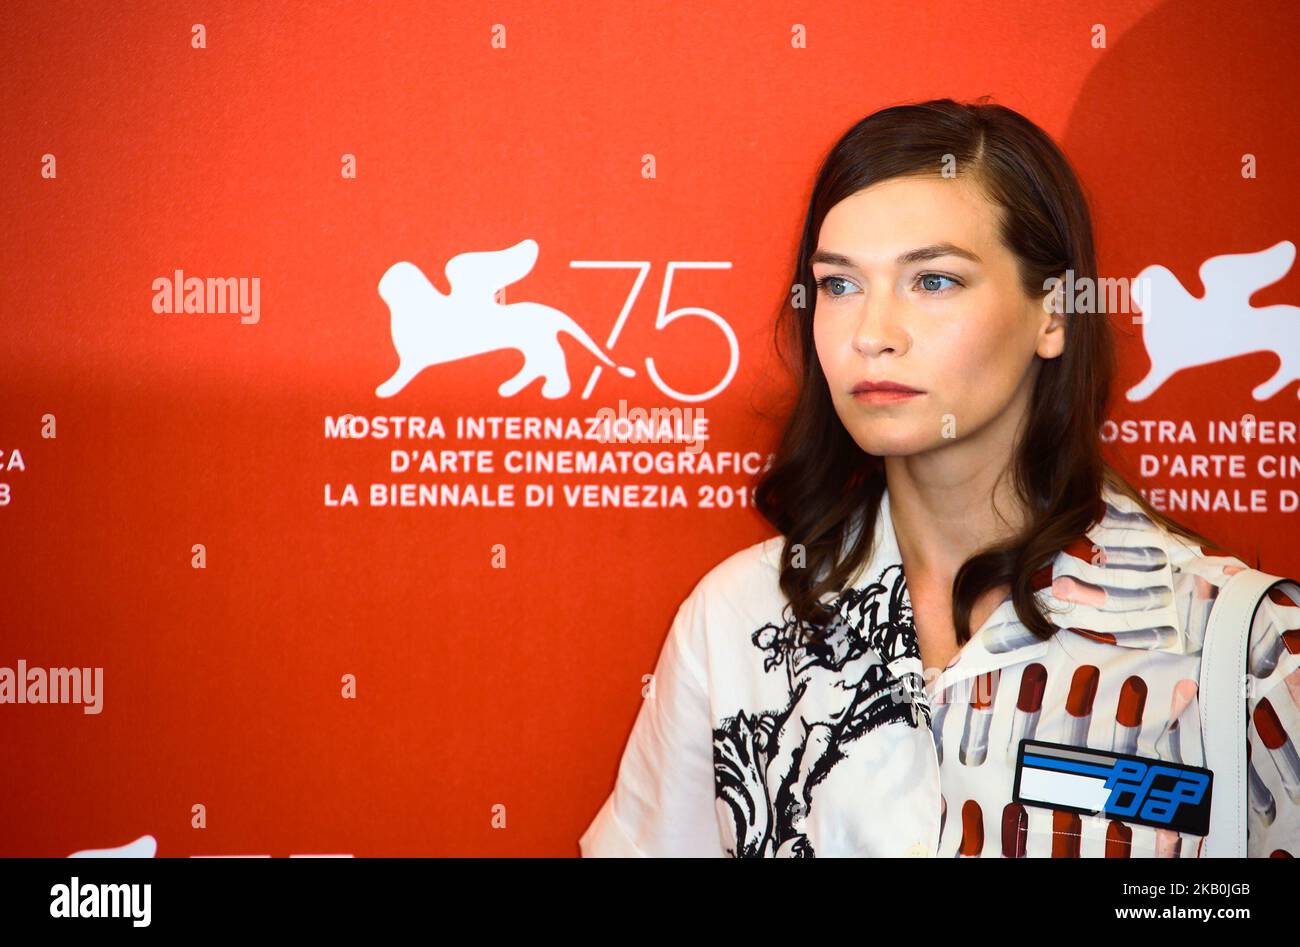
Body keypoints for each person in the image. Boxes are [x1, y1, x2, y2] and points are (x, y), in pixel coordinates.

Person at [578, 97, 1300, 858]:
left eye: (934, 281)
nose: (873, 335)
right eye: (839, 285)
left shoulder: (1245, 645)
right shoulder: (738, 619)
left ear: (1054, 313)